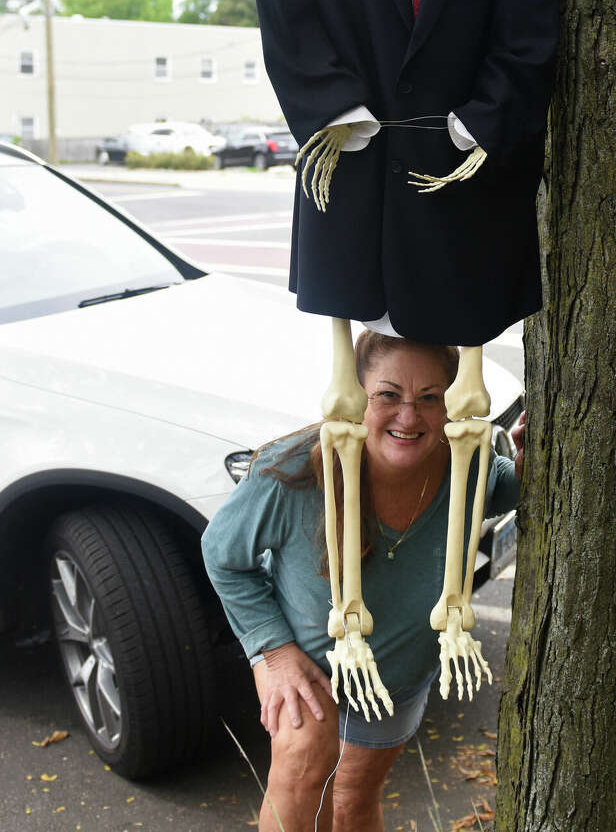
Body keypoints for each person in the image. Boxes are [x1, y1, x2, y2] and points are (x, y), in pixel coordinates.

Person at [202, 332, 524, 832]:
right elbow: (222, 556)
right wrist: (274, 651)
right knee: (306, 762)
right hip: (303, 662)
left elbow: (508, 487)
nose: (408, 417)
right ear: (356, 395)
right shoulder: (290, 472)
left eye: (429, 398)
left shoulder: (465, 465)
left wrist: (529, 463)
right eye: (388, 395)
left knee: (353, 798)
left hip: (395, 680)